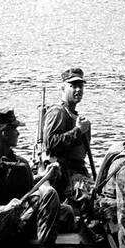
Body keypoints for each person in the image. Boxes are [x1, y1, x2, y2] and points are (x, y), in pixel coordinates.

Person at [0, 108, 73, 248]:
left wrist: (43, 176)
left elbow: (13, 187)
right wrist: (3, 208)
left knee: (66, 211)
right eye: (14, 129)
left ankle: (66, 247)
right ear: (4, 133)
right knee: (49, 194)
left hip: (13, 219)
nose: (18, 133)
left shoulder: (8, 160)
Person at [42, 67, 95, 209]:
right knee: (96, 198)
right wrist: (77, 131)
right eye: (73, 86)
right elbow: (50, 143)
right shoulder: (58, 112)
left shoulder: (74, 114)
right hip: (64, 176)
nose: (78, 90)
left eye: (80, 86)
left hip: (76, 173)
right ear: (63, 88)